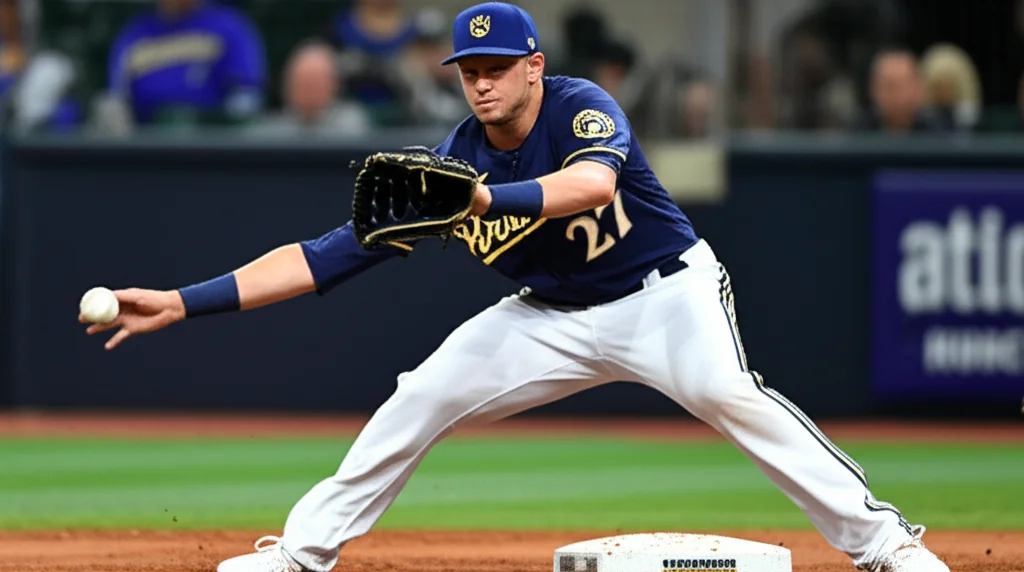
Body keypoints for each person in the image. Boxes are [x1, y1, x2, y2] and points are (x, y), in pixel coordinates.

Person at [80, 4, 950, 572]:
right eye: (469, 68)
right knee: (419, 394)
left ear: (534, 66)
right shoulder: (452, 161)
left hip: (663, 294)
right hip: (549, 316)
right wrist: (183, 299)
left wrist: (487, 197)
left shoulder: (581, 104)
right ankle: (301, 553)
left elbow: (594, 186)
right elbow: (323, 256)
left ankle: (887, 546)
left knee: (731, 393)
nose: (484, 79)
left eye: (499, 64)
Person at [104, 0, 266, 129]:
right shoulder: (133, 35)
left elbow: (246, 102)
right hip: (148, 150)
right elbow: (117, 98)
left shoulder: (230, 28)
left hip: (211, 151)